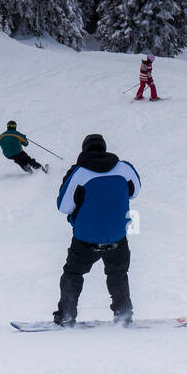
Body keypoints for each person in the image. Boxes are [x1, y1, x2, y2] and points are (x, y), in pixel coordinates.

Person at [53, 133, 141, 326]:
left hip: (86, 237)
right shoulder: (124, 168)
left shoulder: (79, 173)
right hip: (117, 235)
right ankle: (123, 315)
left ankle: (66, 315)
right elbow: (135, 190)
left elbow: (64, 207)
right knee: (117, 274)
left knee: (73, 273)